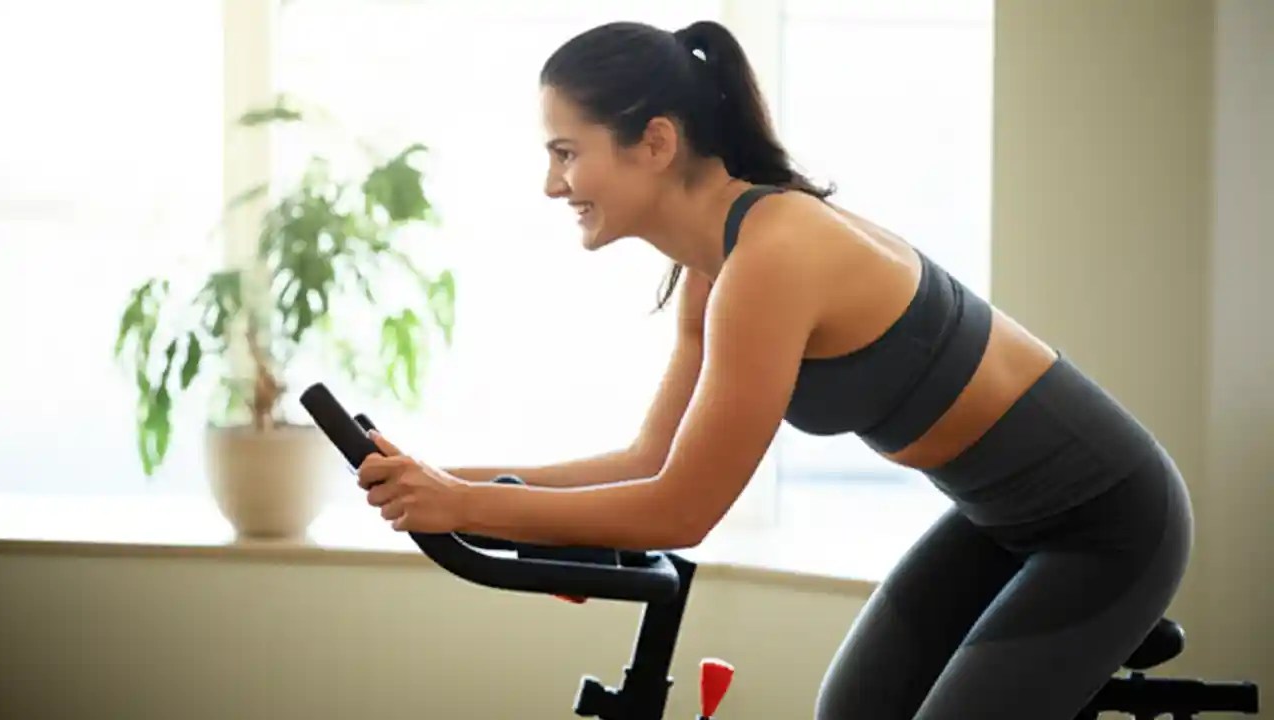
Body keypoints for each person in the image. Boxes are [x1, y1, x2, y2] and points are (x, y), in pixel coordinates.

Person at [356, 19, 1194, 720]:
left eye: (567, 152)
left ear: (654, 142)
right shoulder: (713, 269)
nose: (551, 184)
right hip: (996, 519)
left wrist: (467, 505)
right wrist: (434, 481)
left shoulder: (773, 259)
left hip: (1109, 526)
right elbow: (649, 460)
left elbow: (682, 510)